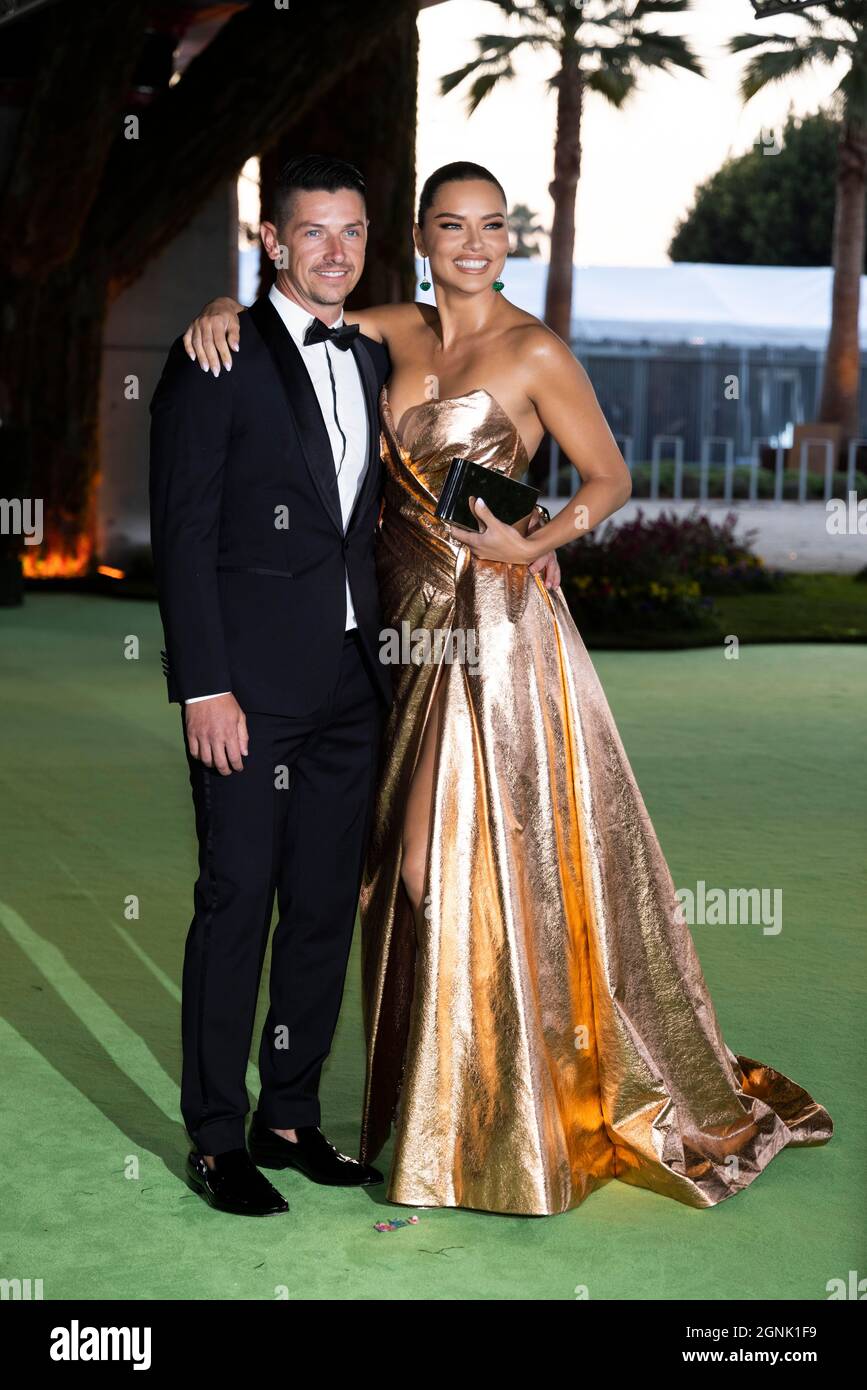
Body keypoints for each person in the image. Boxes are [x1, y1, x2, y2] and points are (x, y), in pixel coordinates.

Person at [184, 160, 833, 1217]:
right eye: (453, 226)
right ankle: (418, 1107)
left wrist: (540, 541)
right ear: (423, 235)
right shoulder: (389, 327)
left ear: (509, 236)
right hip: (382, 639)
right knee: (373, 873)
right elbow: (296, 318)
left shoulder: (535, 348)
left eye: (492, 227)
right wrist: (221, 305)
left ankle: (497, 1117)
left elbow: (610, 477)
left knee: (426, 867)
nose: (474, 244)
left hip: (486, 631)